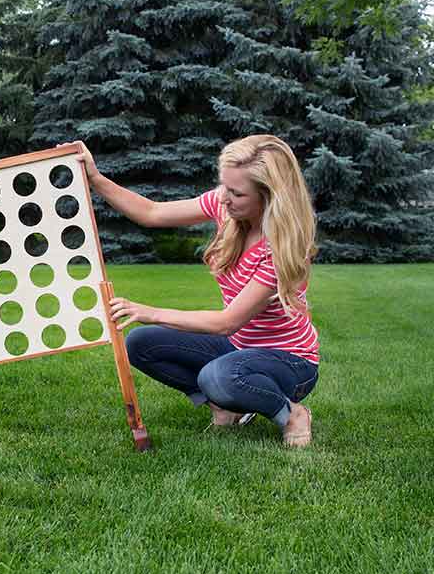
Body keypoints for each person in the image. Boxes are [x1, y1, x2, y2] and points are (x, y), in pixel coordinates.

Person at [65, 134, 319, 447]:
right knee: (141, 343)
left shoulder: (281, 250)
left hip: (289, 362)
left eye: (237, 193)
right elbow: (152, 213)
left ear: (270, 196)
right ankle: (225, 408)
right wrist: (95, 178)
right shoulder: (224, 205)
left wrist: (150, 312)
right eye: (224, 186)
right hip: (238, 348)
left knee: (218, 376)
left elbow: (226, 322)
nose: (224, 198)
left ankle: (291, 413)